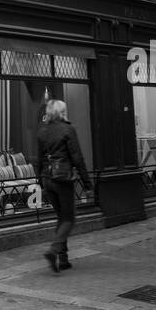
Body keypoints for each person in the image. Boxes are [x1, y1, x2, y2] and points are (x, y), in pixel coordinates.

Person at [36, 99, 92, 274]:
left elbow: (39, 159)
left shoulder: (42, 130)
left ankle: (64, 259)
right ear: (62, 112)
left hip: (47, 178)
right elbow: (77, 157)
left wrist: (40, 180)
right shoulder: (68, 129)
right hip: (63, 179)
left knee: (61, 218)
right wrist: (87, 182)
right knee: (69, 219)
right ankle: (53, 251)